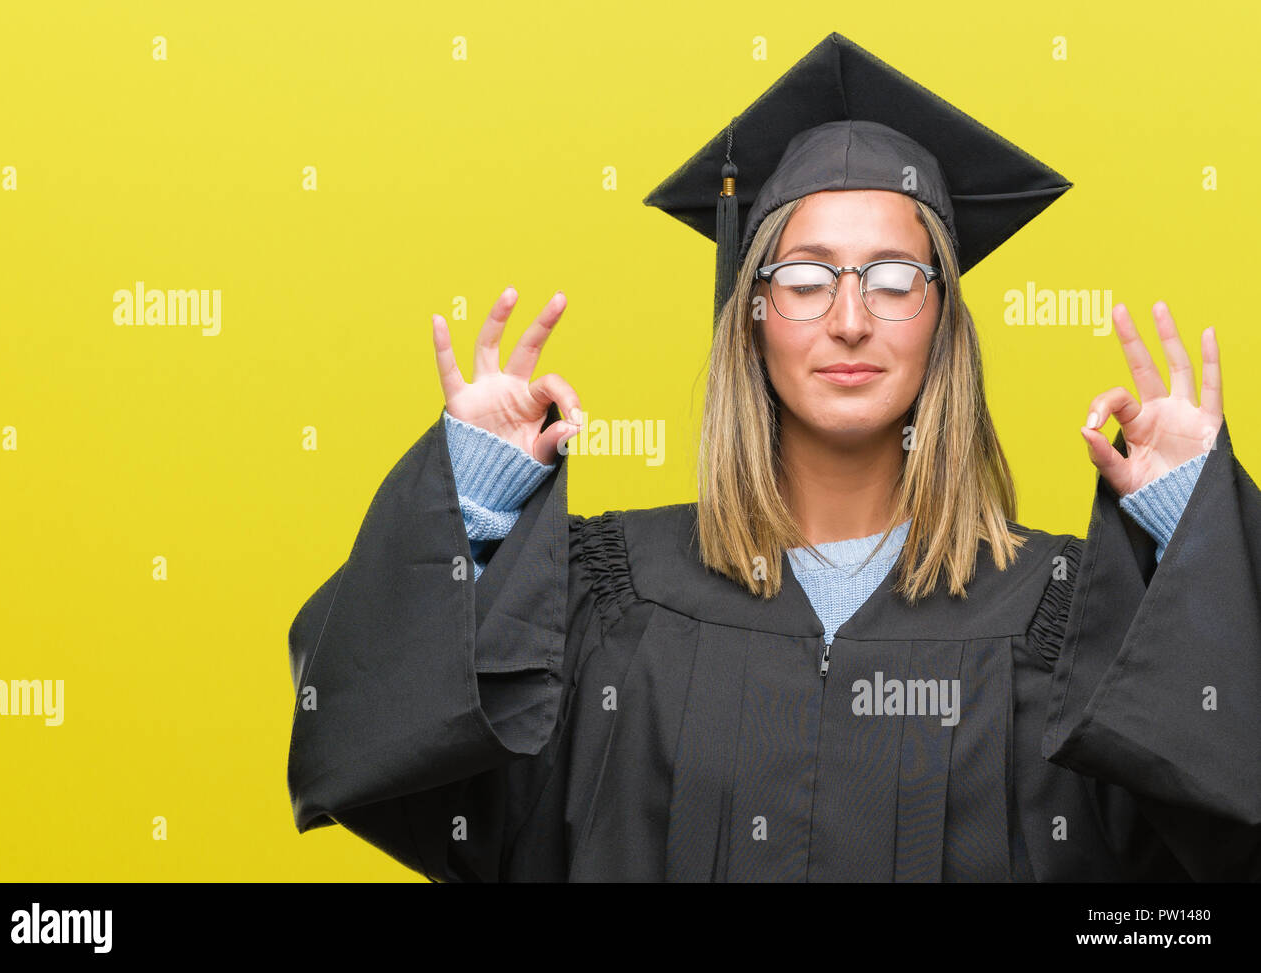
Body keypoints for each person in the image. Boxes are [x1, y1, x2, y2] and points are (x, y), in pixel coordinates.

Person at [285, 33, 1260, 881]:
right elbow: (380, 750)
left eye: (891, 278)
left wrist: (1191, 520)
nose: (847, 318)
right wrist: (478, 492)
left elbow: (1217, 825)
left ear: (943, 326)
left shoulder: (1060, 614)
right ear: (748, 316)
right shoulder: (599, 604)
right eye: (802, 277)